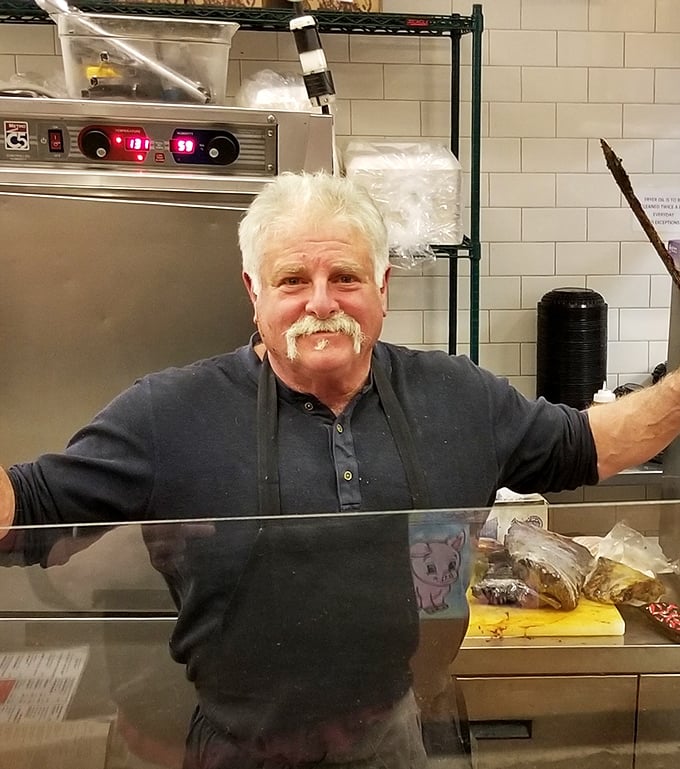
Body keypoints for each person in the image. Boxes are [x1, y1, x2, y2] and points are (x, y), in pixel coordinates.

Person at [1, 171, 679, 769]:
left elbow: (587, 444)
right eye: (293, 279)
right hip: (237, 747)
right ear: (254, 291)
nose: (320, 302)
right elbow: (31, 505)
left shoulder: (459, 396)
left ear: (381, 287)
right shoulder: (168, 412)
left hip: (391, 739)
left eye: (345, 277)